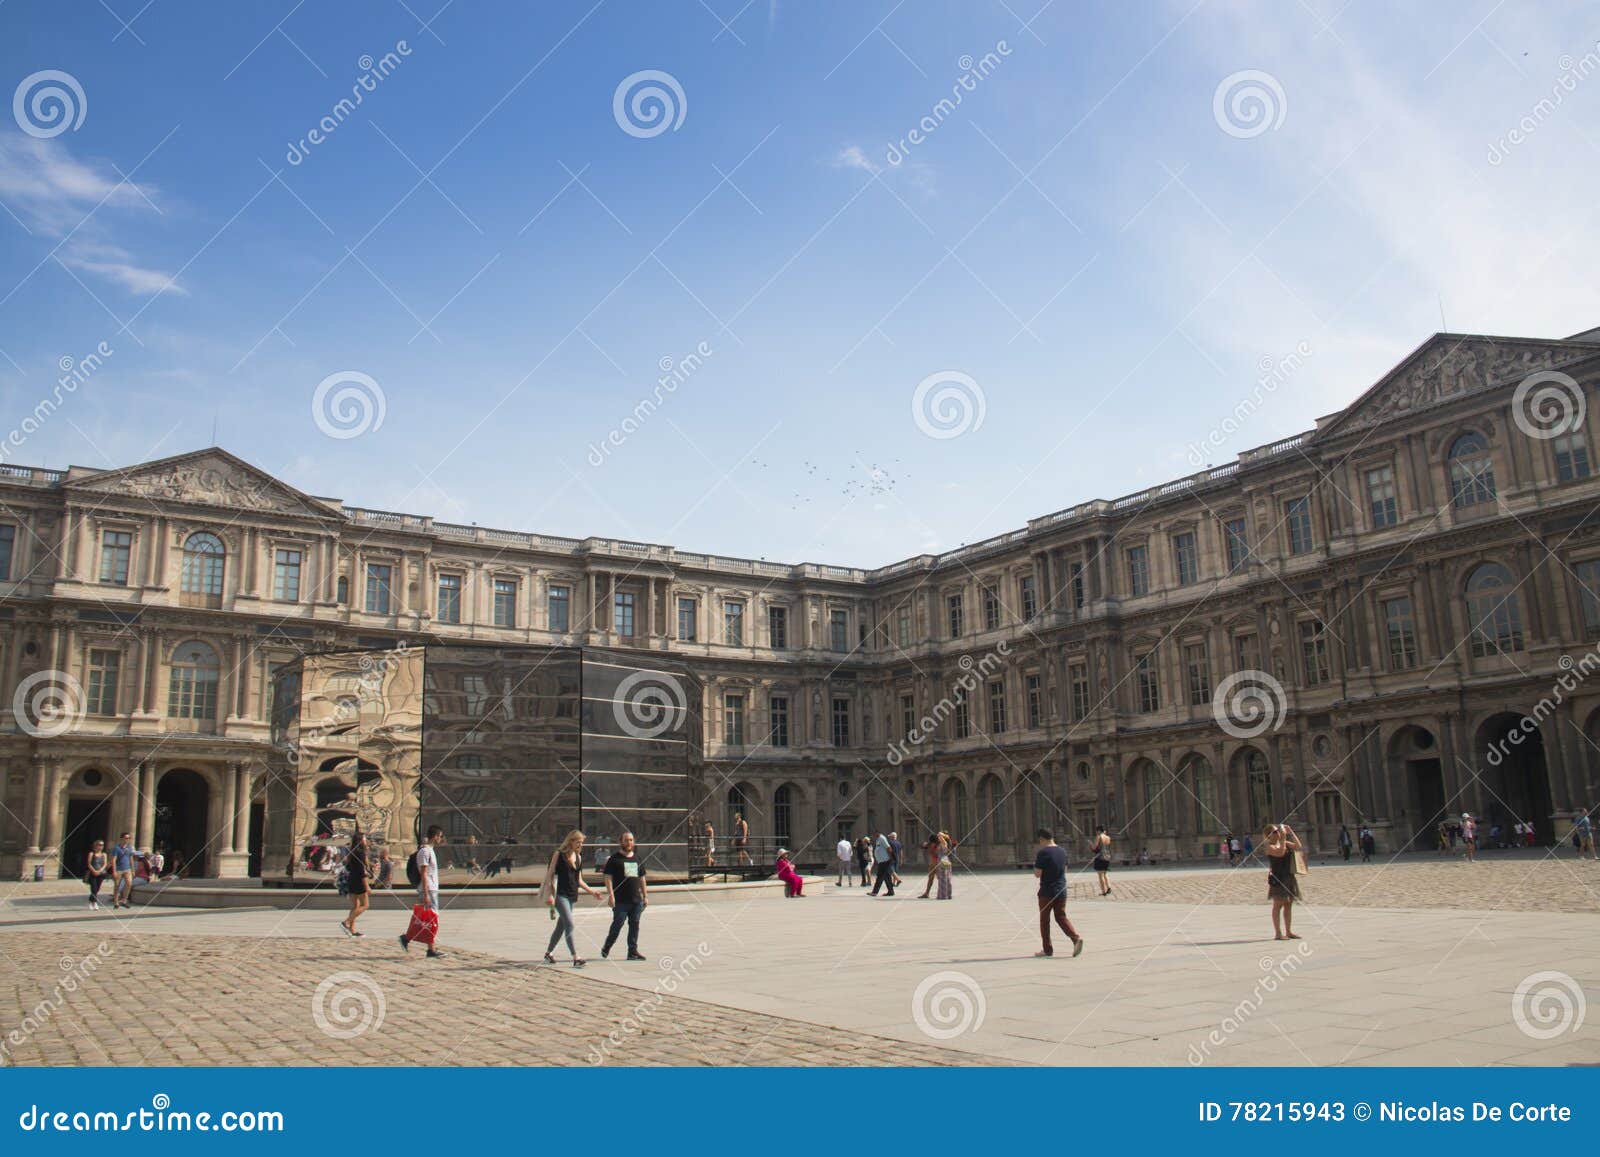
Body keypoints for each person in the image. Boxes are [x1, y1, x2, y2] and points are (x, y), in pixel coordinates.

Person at [542, 829, 605, 967]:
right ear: (571, 841)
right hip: (560, 895)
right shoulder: (559, 854)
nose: (580, 845)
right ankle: (576, 957)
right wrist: (549, 894)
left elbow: (579, 880)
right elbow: (550, 874)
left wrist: (592, 892)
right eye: (578, 842)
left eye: (582, 842)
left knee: (561, 926)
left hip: (572, 895)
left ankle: (548, 953)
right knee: (570, 924)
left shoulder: (578, 857)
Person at [1033, 829, 1084, 958]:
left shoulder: (1043, 852)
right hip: (1061, 890)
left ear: (1042, 839)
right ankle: (1076, 938)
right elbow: (1064, 870)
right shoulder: (1063, 851)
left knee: (1045, 920)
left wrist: (1037, 868)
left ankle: (1047, 950)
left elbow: (1037, 874)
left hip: (1047, 892)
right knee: (1061, 916)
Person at [399, 825, 447, 959]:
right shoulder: (425, 852)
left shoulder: (429, 850)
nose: (441, 839)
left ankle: (408, 939)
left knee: (423, 919)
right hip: (428, 889)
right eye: (440, 836)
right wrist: (426, 894)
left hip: (431, 888)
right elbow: (424, 873)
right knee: (431, 920)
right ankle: (429, 949)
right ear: (435, 836)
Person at [601, 830, 649, 961]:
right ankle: (607, 945)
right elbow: (608, 878)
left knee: (635, 925)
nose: (629, 843)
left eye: (631, 840)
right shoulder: (614, 859)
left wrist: (645, 896)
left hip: (636, 900)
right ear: (620, 842)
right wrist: (611, 896)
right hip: (620, 900)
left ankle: (632, 951)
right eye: (626, 840)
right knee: (617, 924)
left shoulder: (637, 858)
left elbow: (642, 878)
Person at [1263, 823, 1303, 941]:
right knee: (1277, 905)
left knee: (1288, 904)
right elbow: (1280, 853)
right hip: (1278, 878)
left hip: (1288, 877)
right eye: (1275, 832)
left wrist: (1290, 831)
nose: (1278, 833)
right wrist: (1284, 838)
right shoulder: (1269, 846)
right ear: (1268, 835)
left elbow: (1298, 846)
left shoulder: (1284, 843)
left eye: (1278, 831)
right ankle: (1278, 933)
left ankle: (1289, 931)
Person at [340, 831, 371, 936]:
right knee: (365, 905)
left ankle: (352, 930)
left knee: (355, 906)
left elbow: (349, 867)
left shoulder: (351, 852)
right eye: (364, 838)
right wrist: (367, 886)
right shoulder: (360, 853)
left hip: (352, 880)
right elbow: (362, 871)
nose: (366, 840)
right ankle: (346, 922)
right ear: (361, 840)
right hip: (359, 881)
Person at [110, 832, 136, 909]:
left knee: (129, 884)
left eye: (128, 838)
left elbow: (131, 859)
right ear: (121, 838)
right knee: (117, 886)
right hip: (119, 869)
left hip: (127, 869)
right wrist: (114, 871)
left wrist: (133, 870)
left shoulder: (129, 848)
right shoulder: (116, 848)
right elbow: (113, 860)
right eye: (126, 838)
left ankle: (124, 900)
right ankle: (116, 902)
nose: (127, 840)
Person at [869, 829, 895, 896]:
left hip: (885, 861)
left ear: (877, 833)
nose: (873, 836)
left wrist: (891, 858)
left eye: (874, 834)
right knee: (887, 877)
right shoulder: (878, 839)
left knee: (880, 876)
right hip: (882, 861)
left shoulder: (882, 838)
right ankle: (891, 891)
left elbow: (888, 848)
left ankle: (875, 892)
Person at [84, 840, 109, 910]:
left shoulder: (104, 854)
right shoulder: (91, 854)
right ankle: (94, 903)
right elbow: (89, 863)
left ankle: (90, 901)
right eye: (99, 845)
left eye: (102, 845)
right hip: (93, 873)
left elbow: (105, 864)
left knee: (97, 889)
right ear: (95, 845)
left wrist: (100, 870)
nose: (101, 846)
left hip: (101, 873)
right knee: (94, 888)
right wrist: (94, 871)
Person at [1091, 826, 1112, 896]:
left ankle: (1103, 892)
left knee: (1100, 875)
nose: (1096, 832)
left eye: (1097, 831)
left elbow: (1094, 847)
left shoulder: (1099, 837)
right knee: (1105, 873)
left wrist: (1091, 844)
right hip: (1107, 857)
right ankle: (1109, 887)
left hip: (1100, 858)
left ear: (1099, 831)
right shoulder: (1108, 837)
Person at [934, 833, 954, 900]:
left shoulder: (944, 843)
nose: (938, 838)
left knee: (943, 878)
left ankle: (943, 895)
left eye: (940, 837)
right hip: (944, 860)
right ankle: (947, 895)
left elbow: (939, 834)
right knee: (945, 878)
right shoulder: (943, 843)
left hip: (943, 861)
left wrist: (942, 835)